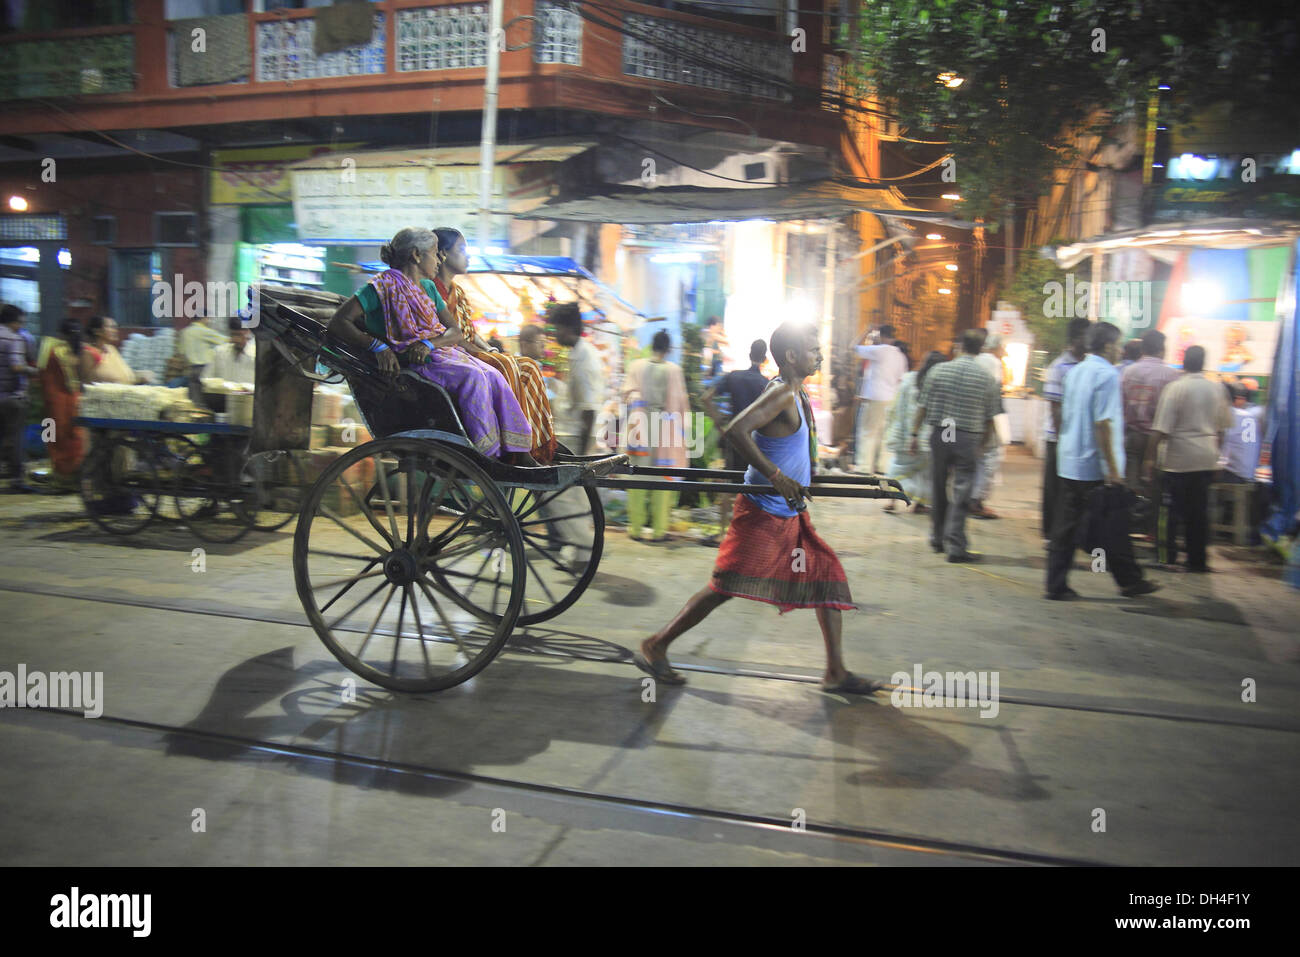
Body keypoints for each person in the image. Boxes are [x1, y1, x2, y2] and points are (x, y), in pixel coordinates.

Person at [634, 321, 881, 696]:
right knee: (723, 587)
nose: (819, 354)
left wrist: (803, 479)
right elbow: (736, 429)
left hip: (790, 515)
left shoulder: (797, 394)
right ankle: (656, 644)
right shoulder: (782, 393)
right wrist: (777, 476)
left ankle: (835, 671)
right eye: (813, 349)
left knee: (827, 577)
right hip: (762, 512)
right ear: (792, 357)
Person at [327, 227, 534, 463]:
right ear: (417, 255)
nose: (440, 259)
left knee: (495, 374)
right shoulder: (378, 288)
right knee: (472, 377)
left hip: (440, 354)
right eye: (435, 253)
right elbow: (339, 322)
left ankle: (519, 452)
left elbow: (455, 332)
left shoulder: (429, 288)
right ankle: (486, 456)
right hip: (413, 365)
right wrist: (377, 346)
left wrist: (429, 343)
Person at [1046, 321, 1158, 599]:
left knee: (1068, 527)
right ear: (1108, 346)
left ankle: (1057, 583)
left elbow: (1065, 415)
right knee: (1112, 526)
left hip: (1070, 461)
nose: (1120, 350)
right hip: (1095, 465)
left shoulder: (1075, 372)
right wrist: (1113, 470)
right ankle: (1129, 581)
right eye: (1118, 344)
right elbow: (1103, 424)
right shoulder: (1106, 375)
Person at [432, 227, 557, 462]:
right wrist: (482, 351)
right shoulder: (432, 289)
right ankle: (515, 447)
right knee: (506, 366)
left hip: (472, 350)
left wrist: (488, 348)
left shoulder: (457, 291)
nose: (467, 257)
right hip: (453, 354)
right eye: (461, 250)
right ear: (443, 254)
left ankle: (537, 442)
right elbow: (454, 336)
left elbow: (470, 330)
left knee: (529, 367)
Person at [909, 329, 1001, 562]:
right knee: (962, 492)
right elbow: (991, 418)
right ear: (980, 349)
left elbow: (922, 406)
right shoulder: (987, 378)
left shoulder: (939, 371)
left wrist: (913, 434)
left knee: (939, 487)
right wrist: (982, 445)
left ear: (958, 345)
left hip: (941, 434)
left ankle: (937, 537)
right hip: (966, 438)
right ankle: (955, 546)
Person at [1143, 345, 1234, 573]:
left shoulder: (1175, 388)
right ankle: (1197, 561)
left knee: (1169, 513)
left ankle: (1166, 557)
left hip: (1178, 461)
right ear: (1203, 363)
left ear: (1184, 362)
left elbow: (1160, 429)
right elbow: (1222, 431)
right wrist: (1216, 459)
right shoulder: (1217, 389)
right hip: (1205, 458)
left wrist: (1150, 459)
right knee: (1199, 513)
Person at [622, 330, 690, 542]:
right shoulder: (674, 370)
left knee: (638, 476)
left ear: (652, 345)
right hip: (666, 430)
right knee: (662, 479)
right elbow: (681, 405)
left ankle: (635, 529)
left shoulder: (636, 366)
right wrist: (684, 435)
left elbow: (626, 395)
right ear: (669, 349)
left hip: (639, 428)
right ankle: (659, 530)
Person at [701, 338, 770, 537]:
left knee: (728, 485)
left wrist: (719, 423)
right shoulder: (766, 384)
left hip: (733, 440)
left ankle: (724, 533)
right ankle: (750, 534)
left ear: (749, 356)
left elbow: (706, 398)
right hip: (755, 441)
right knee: (753, 488)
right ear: (764, 359)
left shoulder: (733, 377)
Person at [1121, 329, 1181, 537]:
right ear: (1162, 349)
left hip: (1132, 435)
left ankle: (1126, 527)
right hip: (1160, 440)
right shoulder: (1172, 376)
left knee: (1130, 481)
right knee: (1156, 486)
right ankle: (1151, 531)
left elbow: (1120, 406)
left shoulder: (1128, 373)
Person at [1042, 317, 1091, 539]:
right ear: (1075, 338)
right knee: (1055, 487)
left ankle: (1071, 531)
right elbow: (1055, 407)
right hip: (1058, 438)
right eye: (1086, 336)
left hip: (1079, 439)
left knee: (1072, 487)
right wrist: (1063, 439)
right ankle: (1051, 532)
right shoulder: (1059, 366)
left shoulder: (1088, 365)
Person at [884, 350, 945, 514]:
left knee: (898, 468)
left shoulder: (908, 380)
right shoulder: (939, 385)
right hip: (924, 439)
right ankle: (920, 504)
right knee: (924, 473)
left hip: (903, 435)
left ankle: (891, 500)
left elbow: (896, 408)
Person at [35, 317, 87, 487]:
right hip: (75, 399)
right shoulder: (80, 349)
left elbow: (41, 375)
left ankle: (61, 476)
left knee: (54, 437)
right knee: (75, 435)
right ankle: (74, 475)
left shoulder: (49, 348)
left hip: (53, 401)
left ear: (60, 332)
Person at [549, 302, 605, 456]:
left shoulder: (583, 358)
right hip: (569, 437)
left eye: (558, 329)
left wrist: (581, 459)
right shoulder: (578, 352)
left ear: (570, 329)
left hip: (574, 442)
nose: (556, 334)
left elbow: (589, 411)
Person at [853, 323, 907, 474]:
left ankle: (864, 467)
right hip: (891, 399)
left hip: (875, 397)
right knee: (885, 434)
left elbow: (854, 347)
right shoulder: (900, 356)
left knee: (868, 432)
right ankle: (883, 467)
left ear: (881, 336)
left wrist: (866, 331)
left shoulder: (879, 350)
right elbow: (900, 380)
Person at [1, 304, 38, 492]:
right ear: (14, 321)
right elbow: (16, 366)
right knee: (16, 439)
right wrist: (33, 370)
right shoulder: (13, 337)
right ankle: (16, 481)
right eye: (20, 322)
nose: (21, 326)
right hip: (12, 398)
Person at [970, 330, 1007, 519]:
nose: (1004, 352)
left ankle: (972, 500)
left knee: (977, 460)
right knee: (989, 459)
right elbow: (993, 392)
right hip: (987, 417)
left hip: (973, 417)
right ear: (996, 347)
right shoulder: (993, 362)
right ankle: (976, 502)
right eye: (1003, 348)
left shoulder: (977, 359)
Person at [80, 316, 153, 385]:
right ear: (97, 331)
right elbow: (85, 380)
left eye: (115, 327)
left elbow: (123, 373)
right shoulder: (88, 352)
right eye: (111, 327)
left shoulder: (111, 349)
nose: (115, 331)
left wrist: (138, 377)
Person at [202, 316, 256, 385]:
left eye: (239, 335)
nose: (235, 339)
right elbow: (207, 377)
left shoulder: (256, 355)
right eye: (233, 335)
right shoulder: (220, 352)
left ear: (248, 333)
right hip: (224, 394)